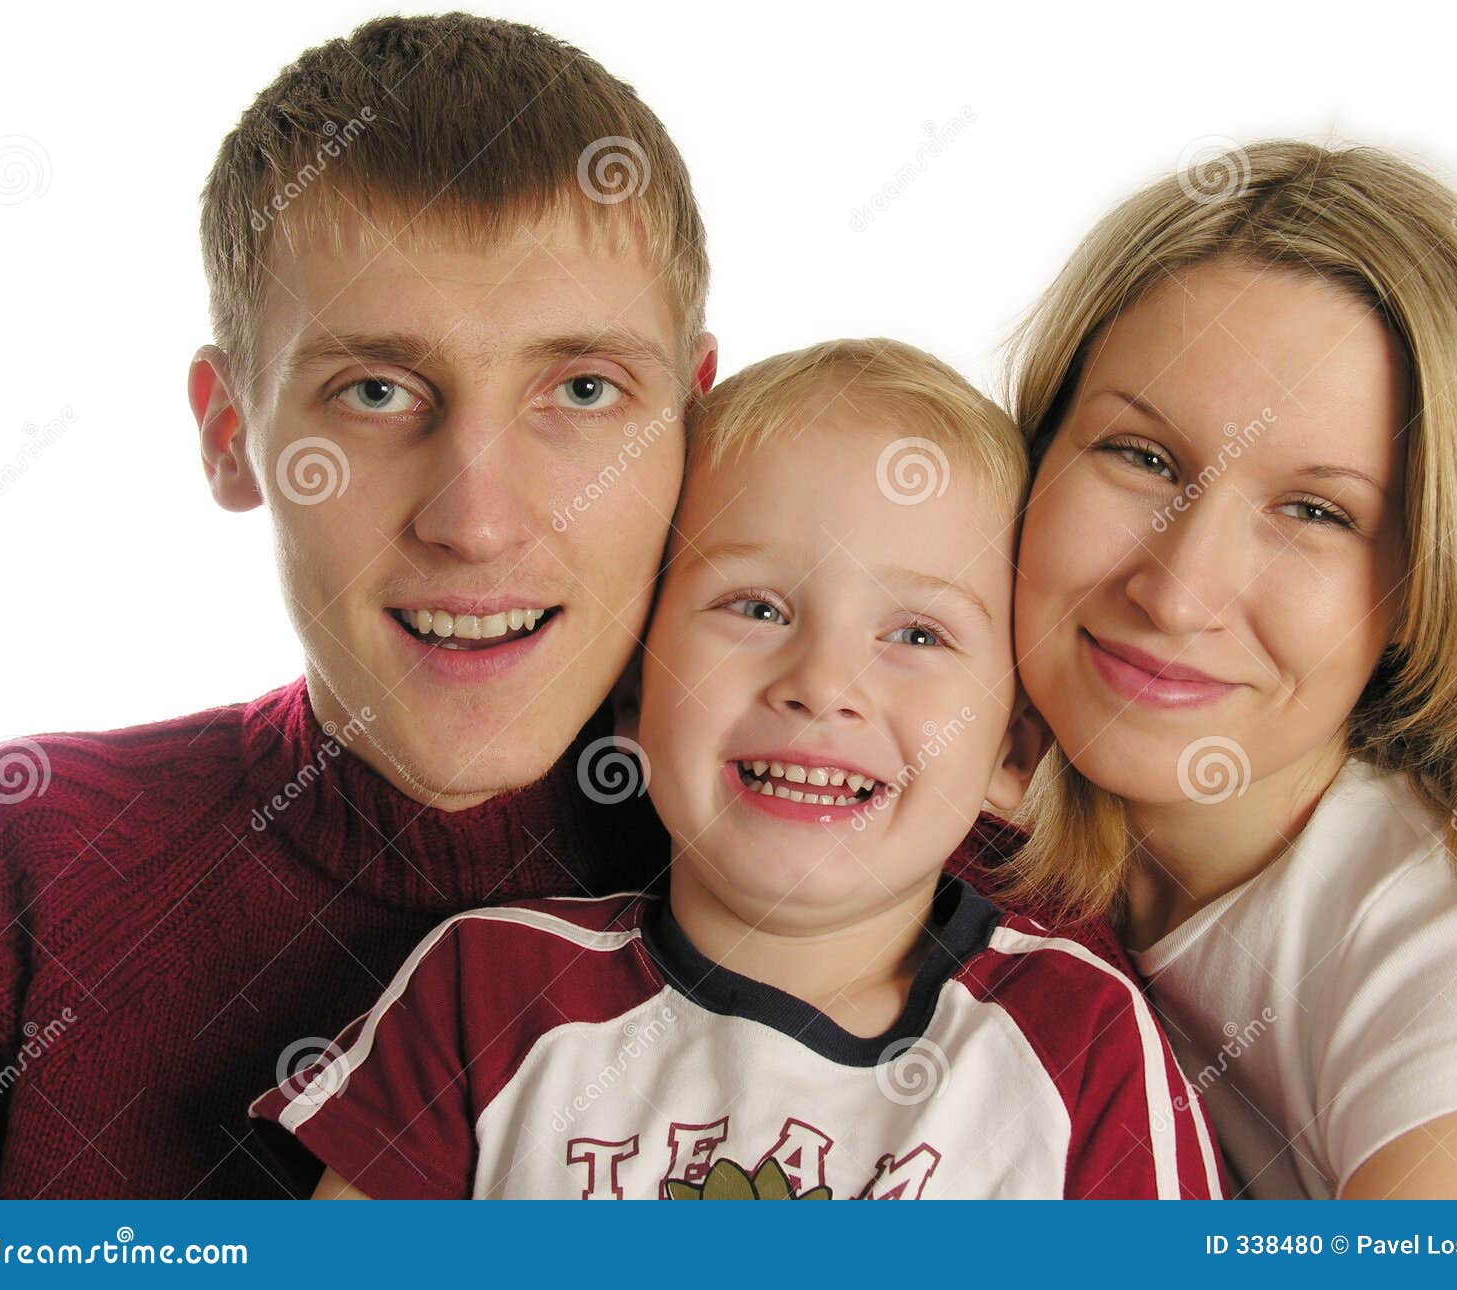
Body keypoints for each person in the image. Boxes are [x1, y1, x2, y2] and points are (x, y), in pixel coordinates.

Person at [0, 12, 723, 1199]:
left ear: (692, 424)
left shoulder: (910, 884)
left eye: (581, 388)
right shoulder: (13, 870)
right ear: (231, 433)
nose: (475, 520)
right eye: (374, 389)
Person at [248, 339, 1225, 1200]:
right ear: (633, 699)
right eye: (755, 609)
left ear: (1011, 751)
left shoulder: (1078, 1041)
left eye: (917, 633)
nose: (821, 683)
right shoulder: (487, 995)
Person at [1002, 139, 1457, 1198]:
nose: (1176, 592)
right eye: (1142, 458)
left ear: (1425, 584)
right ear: (1036, 453)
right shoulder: (943, 787)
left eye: (1315, 512)